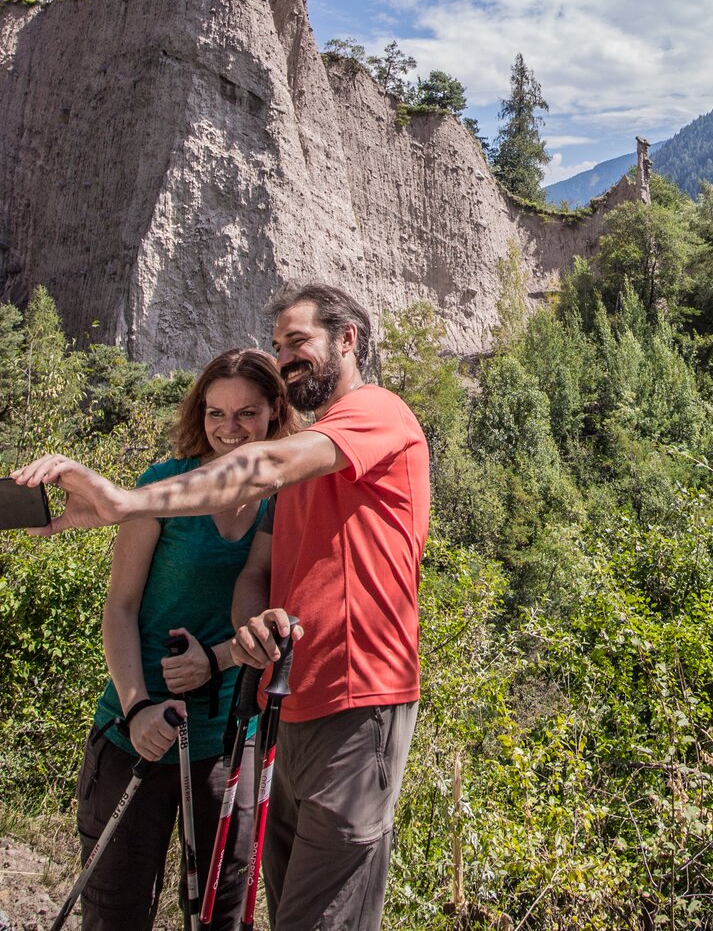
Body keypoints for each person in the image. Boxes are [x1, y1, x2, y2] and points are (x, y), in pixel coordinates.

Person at [18, 282, 430, 931]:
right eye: (278, 346)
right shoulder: (294, 474)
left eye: (299, 342)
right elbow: (258, 576)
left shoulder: (376, 415)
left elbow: (261, 467)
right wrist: (248, 630)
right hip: (280, 711)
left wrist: (124, 501)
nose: (286, 356)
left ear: (347, 340)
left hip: (353, 702)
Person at [76, 348, 297, 931]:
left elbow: (285, 613)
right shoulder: (161, 488)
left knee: (220, 917)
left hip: (228, 739)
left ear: (275, 412)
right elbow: (119, 611)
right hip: (137, 735)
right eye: (215, 413)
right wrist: (137, 707)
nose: (228, 429)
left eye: (246, 413)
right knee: (115, 912)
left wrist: (216, 660)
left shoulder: (288, 502)